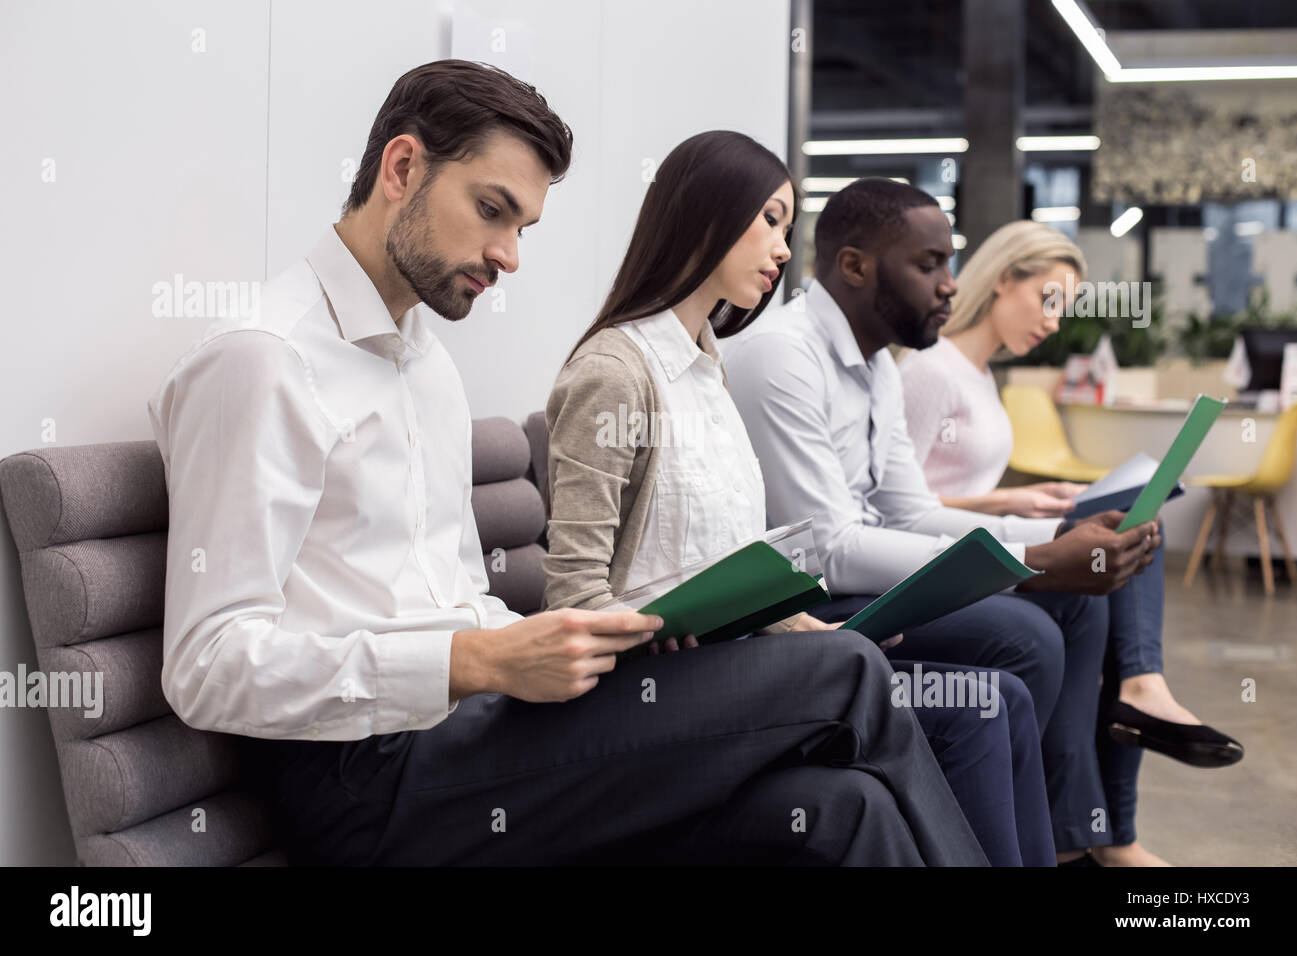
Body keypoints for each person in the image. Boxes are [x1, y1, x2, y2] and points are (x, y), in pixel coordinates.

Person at [146, 61, 987, 866]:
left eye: (522, 227)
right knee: (842, 669)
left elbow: (454, 597)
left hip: (469, 732)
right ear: (402, 166)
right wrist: (473, 662)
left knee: (844, 812)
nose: (509, 255)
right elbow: (207, 666)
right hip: (372, 784)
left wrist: (572, 640)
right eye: (492, 210)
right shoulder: (263, 360)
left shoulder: (425, 364)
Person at [543, 131, 1054, 865]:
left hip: (732, 661)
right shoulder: (616, 373)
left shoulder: (707, 371)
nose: (785, 250)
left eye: (788, 225)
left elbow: (726, 561)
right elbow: (573, 597)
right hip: (654, 688)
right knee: (865, 671)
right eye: (770, 221)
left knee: (986, 703)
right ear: (705, 216)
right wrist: (661, 625)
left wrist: (790, 625)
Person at [725, 177, 1165, 866]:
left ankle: (1051, 838)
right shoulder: (783, 356)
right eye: (929, 265)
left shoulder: (880, 370)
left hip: (860, 576)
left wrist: (1048, 541)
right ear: (855, 266)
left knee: (1057, 620)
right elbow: (830, 550)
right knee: (1025, 638)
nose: (951, 287)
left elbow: (913, 512)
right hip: (808, 604)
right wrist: (1035, 565)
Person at [897, 219, 1245, 864]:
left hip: (982, 539)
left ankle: (1126, 760)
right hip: (938, 559)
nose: (1054, 323)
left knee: (1128, 530)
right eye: (1048, 300)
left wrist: (1016, 498)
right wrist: (1009, 503)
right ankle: (1132, 734)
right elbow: (895, 508)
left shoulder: (978, 373)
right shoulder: (931, 370)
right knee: (1116, 551)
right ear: (1004, 279)